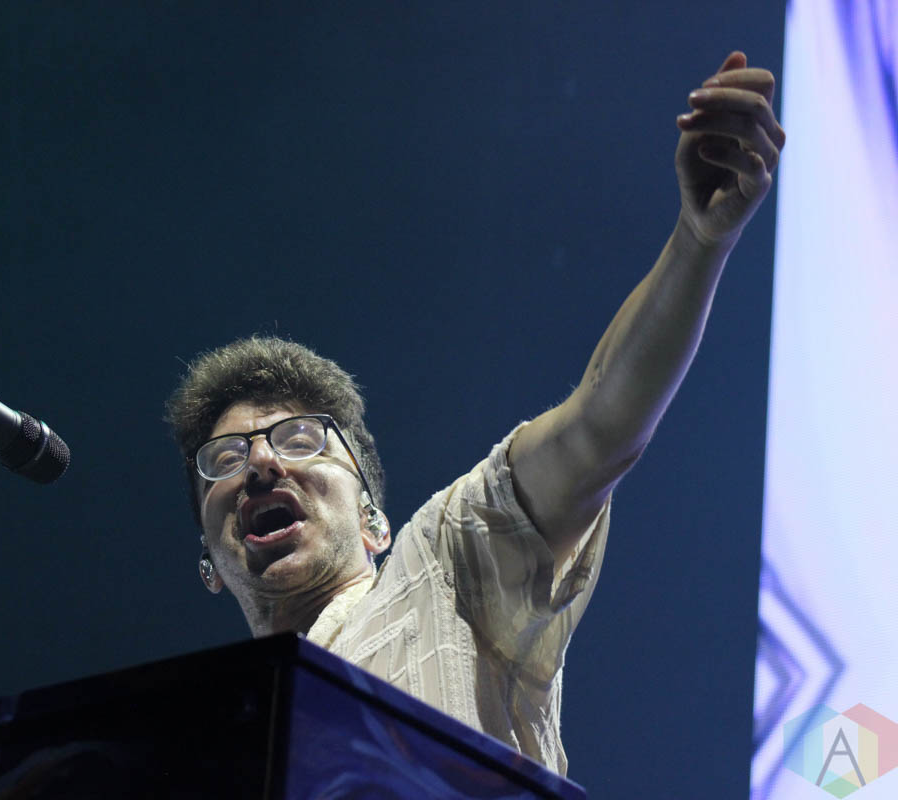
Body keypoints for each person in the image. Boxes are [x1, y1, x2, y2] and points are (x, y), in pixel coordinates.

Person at [166, 52, 784, 776]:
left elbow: (596, 431)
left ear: (373, 520)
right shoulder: (202, 754)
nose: (261, 463)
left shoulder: (445, 565)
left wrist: (698, 241)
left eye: (301, 439)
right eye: (225, 459)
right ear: (208, 561)